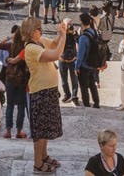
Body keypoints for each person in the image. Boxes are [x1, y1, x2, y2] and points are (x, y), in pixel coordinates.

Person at [22, 16, 66, 173]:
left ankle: (44, 155)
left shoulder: (41, 42)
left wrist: (61, 34)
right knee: (40, 131)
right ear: (32, 31)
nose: (41, 30)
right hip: (40, 92)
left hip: (49, 90)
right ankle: (37, 163)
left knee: (46, 128)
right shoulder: (31, 48)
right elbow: (55, 54)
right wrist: (64, 36)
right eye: (38, 28)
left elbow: (54, 44)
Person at [75, 11, 100, 108]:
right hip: (93, 64)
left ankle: (86, 105)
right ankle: (96, 103)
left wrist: (76, 66)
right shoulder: (94, 32)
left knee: (84, 87)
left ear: (81, 22)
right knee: (92, 85)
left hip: (84, 66)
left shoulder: (83, 38)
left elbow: (80, 55)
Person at [58, 17, 79, 105]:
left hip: (72, 60)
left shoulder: (74, 33)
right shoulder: (61, 33)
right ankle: (67, 94)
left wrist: (73, 33)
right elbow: (57, 44)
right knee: (64, 80)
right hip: (62, 59)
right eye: (68, 24)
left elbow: (78, 43)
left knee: (74, 79)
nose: (69, 26)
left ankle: (74, 96)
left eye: (71, 24)